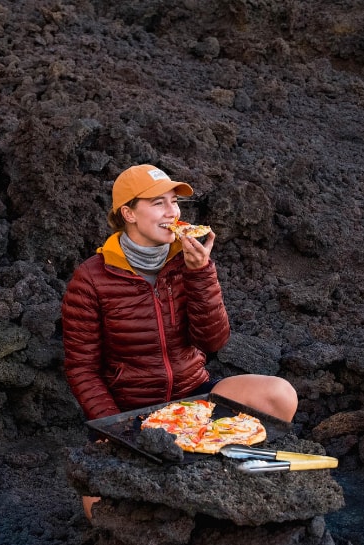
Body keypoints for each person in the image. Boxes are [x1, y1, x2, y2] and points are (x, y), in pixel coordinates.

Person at [61, 164, 298, 519]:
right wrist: (116, 428)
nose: (172, 212)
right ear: (128, 213)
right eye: (158, 203)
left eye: (174, 202)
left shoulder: (185, 261)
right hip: (133, 413)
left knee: (280, 394)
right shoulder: (91, 278)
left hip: (195, 398)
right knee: (97, 506)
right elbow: (81, 368)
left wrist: (201, 273)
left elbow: (214, 341)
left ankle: (218, 468)